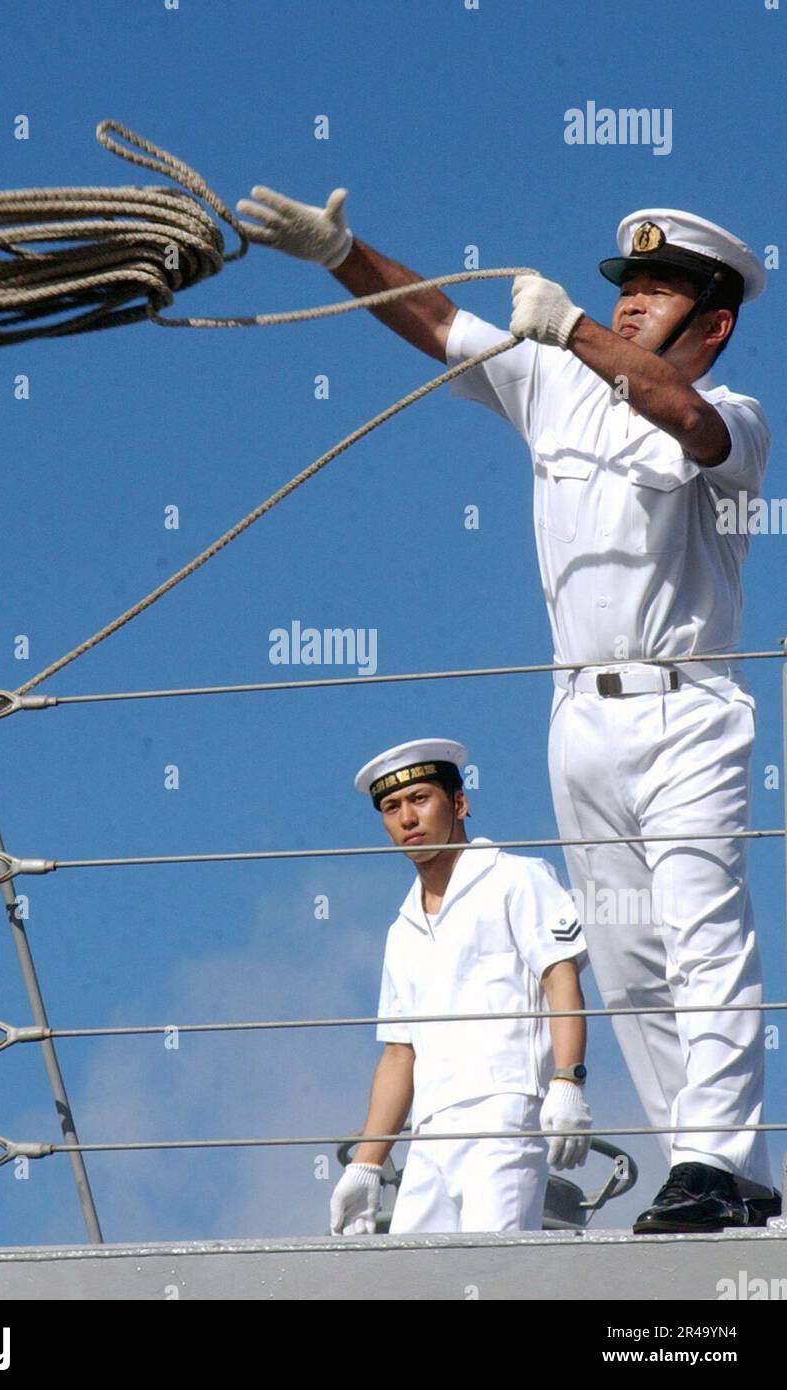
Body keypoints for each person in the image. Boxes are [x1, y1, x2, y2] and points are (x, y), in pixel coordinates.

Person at [236, 187, 778, 1232]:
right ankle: (714, 1180)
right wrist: (339, 251)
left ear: (710, 323)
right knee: (626, 965)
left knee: (704, 937)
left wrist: (572, 327)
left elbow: (690, 420)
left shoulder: (740, 415)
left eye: (657, 292)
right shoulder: (553, 388)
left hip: (687, 708)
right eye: (624, 289)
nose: (628, 305)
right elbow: (435, 319)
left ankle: (717, 1157)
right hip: (579, 714)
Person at [329, 738, 590, 1235]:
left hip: (505, 1113)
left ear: (461, 803)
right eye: (391, 807)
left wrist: (568, 1080)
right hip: (429, 1133)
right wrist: (365, 1163)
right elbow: (398, 1055)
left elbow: (561, 978)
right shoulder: (401, 929)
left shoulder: (515, 878)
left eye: (421, 799)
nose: (407, 818)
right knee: (417, 1284)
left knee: (492, 1272)